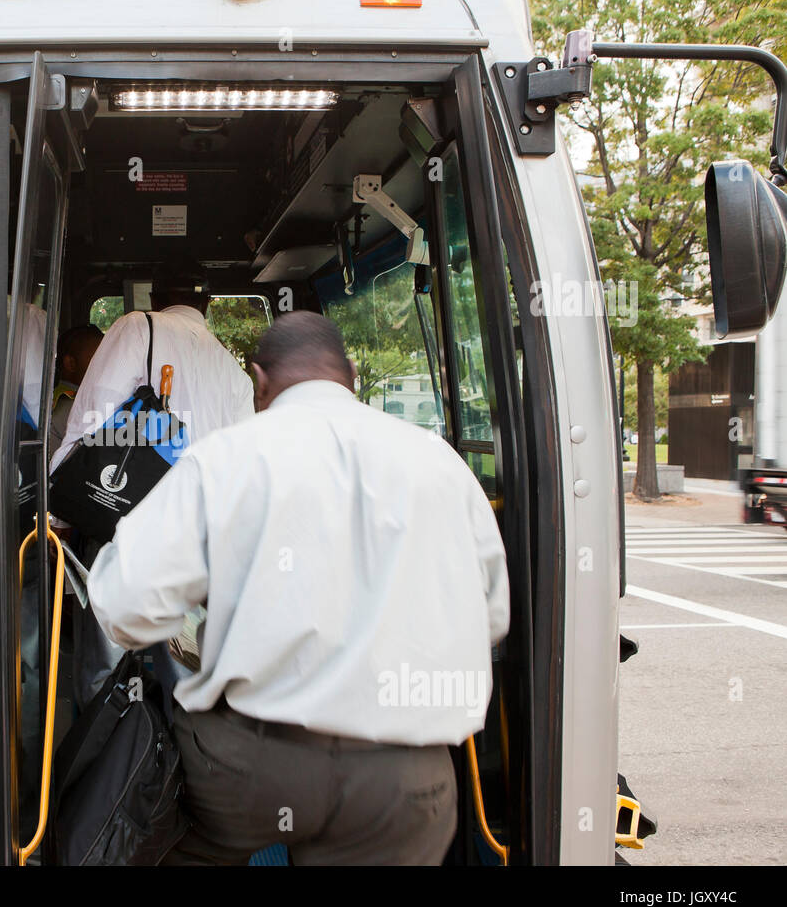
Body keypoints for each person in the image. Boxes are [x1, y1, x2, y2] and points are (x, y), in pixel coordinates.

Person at [86, 310, 510, 865]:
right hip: (403, 779)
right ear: (351, 374)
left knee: (161, 837)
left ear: (259, 381)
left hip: (250, 769)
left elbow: (125, 607)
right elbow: (492, 618)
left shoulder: (224, 459)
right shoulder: (442, 465)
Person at [50, 261, 255, 704]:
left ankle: (106, 763)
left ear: (155, 299)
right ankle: (182, 764)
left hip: (124, 523)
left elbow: (92, 417)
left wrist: (61, 503)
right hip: (195, 539)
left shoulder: (137, 327)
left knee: (104, 669)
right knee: (187, 670)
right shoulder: (234, 374)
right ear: (207, 305)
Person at [47, 324, 103, 462]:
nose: (106, 365)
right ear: (70, 363)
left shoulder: (56, 397)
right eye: (97, 359)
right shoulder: (72, 406)